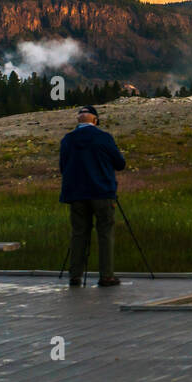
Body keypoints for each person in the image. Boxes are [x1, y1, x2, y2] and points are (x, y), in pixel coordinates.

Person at [59, 105, 126, 287]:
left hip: (76, 194)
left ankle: (75, 275)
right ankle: (106, 276)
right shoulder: (103, 138)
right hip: (102, 192)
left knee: (79, 234)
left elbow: (62, 167)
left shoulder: (67, 140)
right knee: (105, 233)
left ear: (78, 120)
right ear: (95, 121)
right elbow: (120, 164)